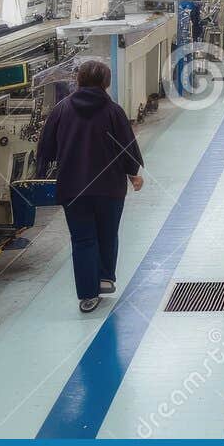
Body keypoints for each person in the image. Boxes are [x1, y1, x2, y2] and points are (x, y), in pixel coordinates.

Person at [36, 58, 145, 314]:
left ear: (79, 80)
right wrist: (133, 174)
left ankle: (87, 296)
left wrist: (46, 168)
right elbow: (126, 146)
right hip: (110, 188)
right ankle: (105, 277)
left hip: (73, 188)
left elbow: (46, 148)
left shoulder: (61, 110)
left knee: (83, 239)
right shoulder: (113, 111)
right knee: (108, 234)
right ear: (106, 83)